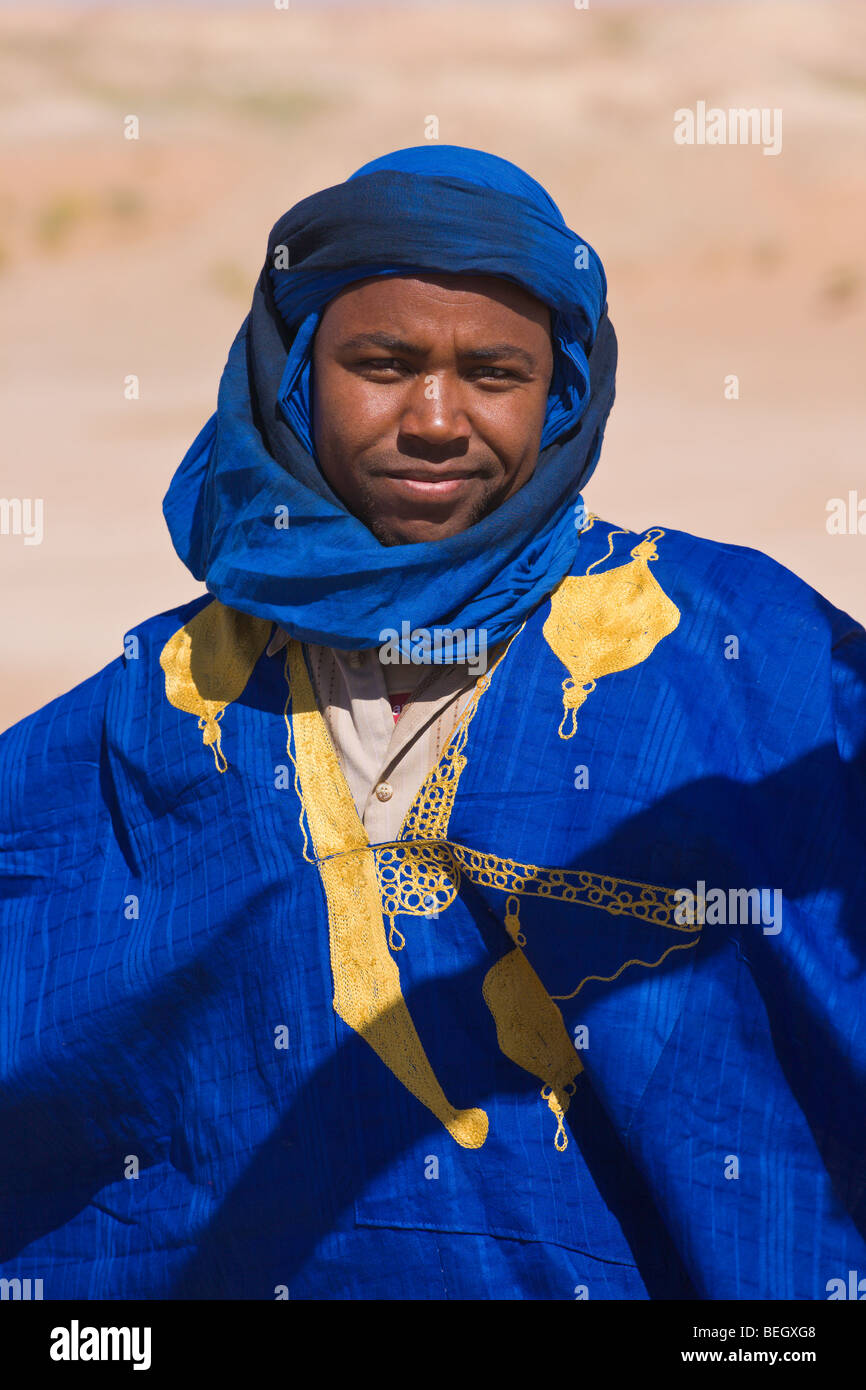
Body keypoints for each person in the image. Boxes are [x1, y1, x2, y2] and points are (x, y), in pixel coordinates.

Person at [1, 145, 864, 1302]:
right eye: (384, 363)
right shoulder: (164, 699)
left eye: (493, 373)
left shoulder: (721, 643)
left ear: (560, 395)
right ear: (297, 374)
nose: (436, 419)